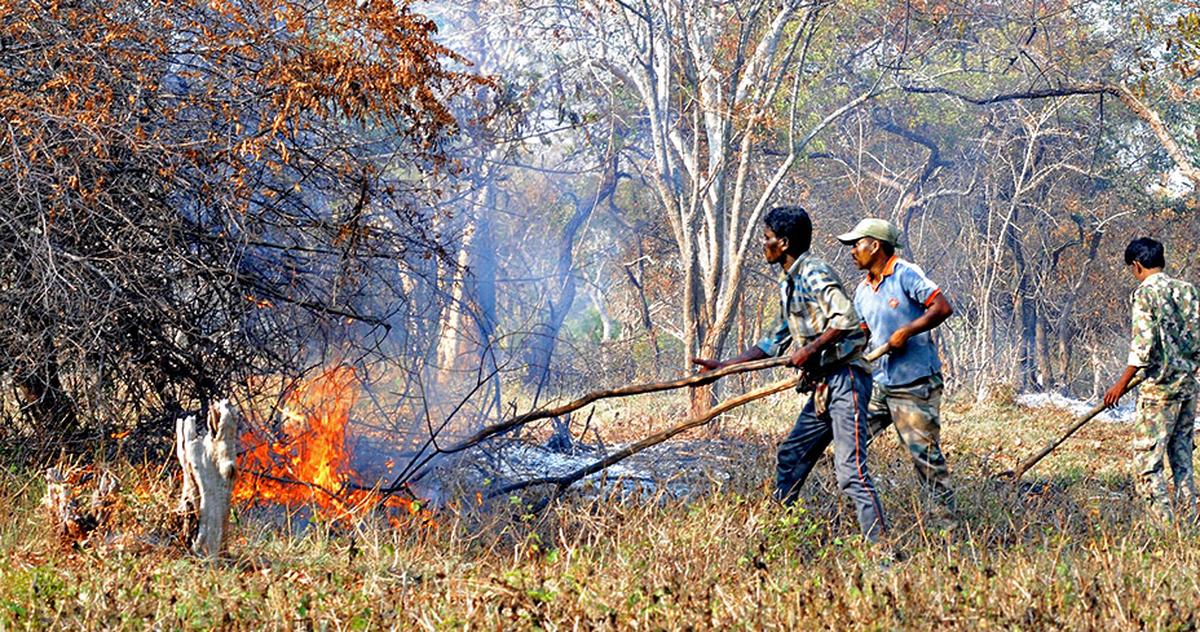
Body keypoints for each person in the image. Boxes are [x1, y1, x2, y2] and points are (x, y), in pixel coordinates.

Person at [692, 206, 886, 542]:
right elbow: (775, 340)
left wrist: (810, 351)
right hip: (824, 386)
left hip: (847, 381)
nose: (762, 244)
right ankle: (781, 537)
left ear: (783, 243)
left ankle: (884, 553)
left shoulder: (813, 273)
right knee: (792, 455)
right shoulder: (790, 283)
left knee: (850, 472)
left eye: (766, 238)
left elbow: (846, 318)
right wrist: (724, 367)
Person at [837, 218, 957, 525]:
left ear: (875, 246)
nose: (852, 251)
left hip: (914, 385)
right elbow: (861, 335)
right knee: (849, 437)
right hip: (881, 384)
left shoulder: (906, 274)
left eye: (857, 244)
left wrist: (907, 331)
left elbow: (941, 307)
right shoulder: (863, 290)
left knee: (925, 459)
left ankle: (946, 531)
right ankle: (853, 513)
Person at [1104, 237, 1200, 523]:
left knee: (1147, 463)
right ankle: (1190, 521)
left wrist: (1120, 385)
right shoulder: (1188, 291)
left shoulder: (1144, 293)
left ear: (1137, 266)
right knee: (1182, 457)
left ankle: (1163, 530)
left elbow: (1142, 348)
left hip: (1159, 392)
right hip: (1187, 388)